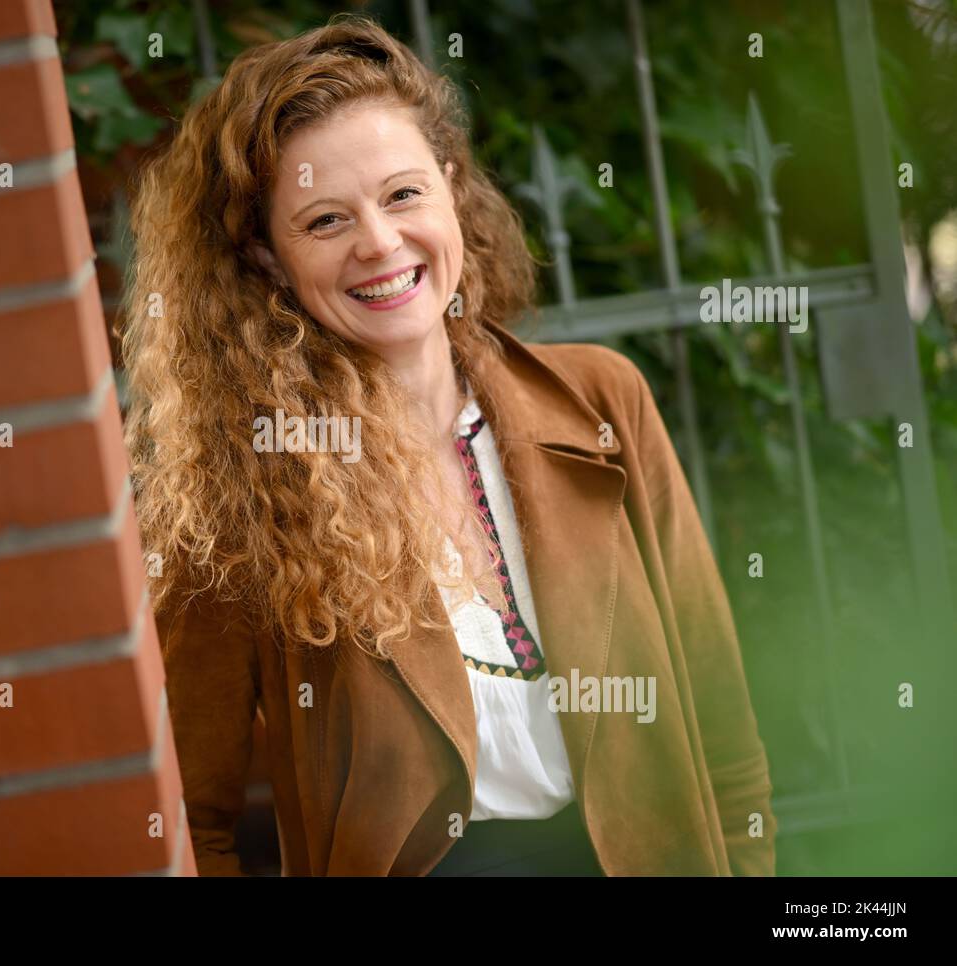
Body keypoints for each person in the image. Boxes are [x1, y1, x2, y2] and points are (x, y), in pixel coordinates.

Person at [119, 14, 775, 876]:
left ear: (450, 189)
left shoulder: (603, 399)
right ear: (267, 259)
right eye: (324, 220)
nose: (380, 243)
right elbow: (184, 820)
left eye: (402, 194)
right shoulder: (240, 493)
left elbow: (723, 731)